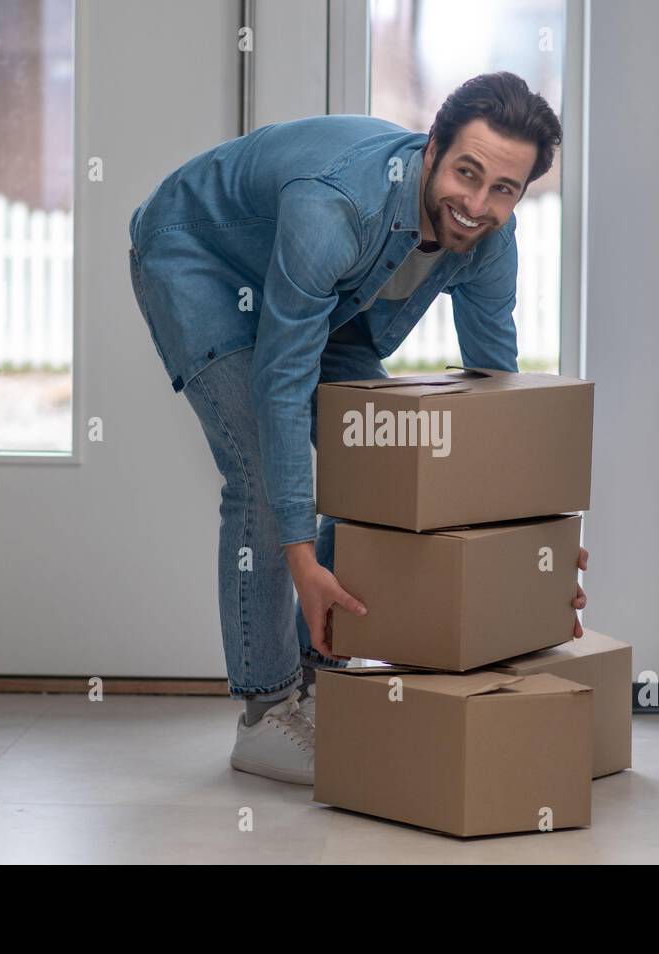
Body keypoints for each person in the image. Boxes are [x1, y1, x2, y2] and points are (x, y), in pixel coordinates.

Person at [127, 72, 586, 785]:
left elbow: (497, 401)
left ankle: (323, 670)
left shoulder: (491, 241)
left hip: (324, 296)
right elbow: (282, 387)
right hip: (199, 259)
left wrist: (531, 554)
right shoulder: (335, 208)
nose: (477, 205)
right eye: (467, 172)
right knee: (256, 469)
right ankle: (268, 710)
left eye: (505, 189)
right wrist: (301, 559)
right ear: (433, 148)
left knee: (385, 457)